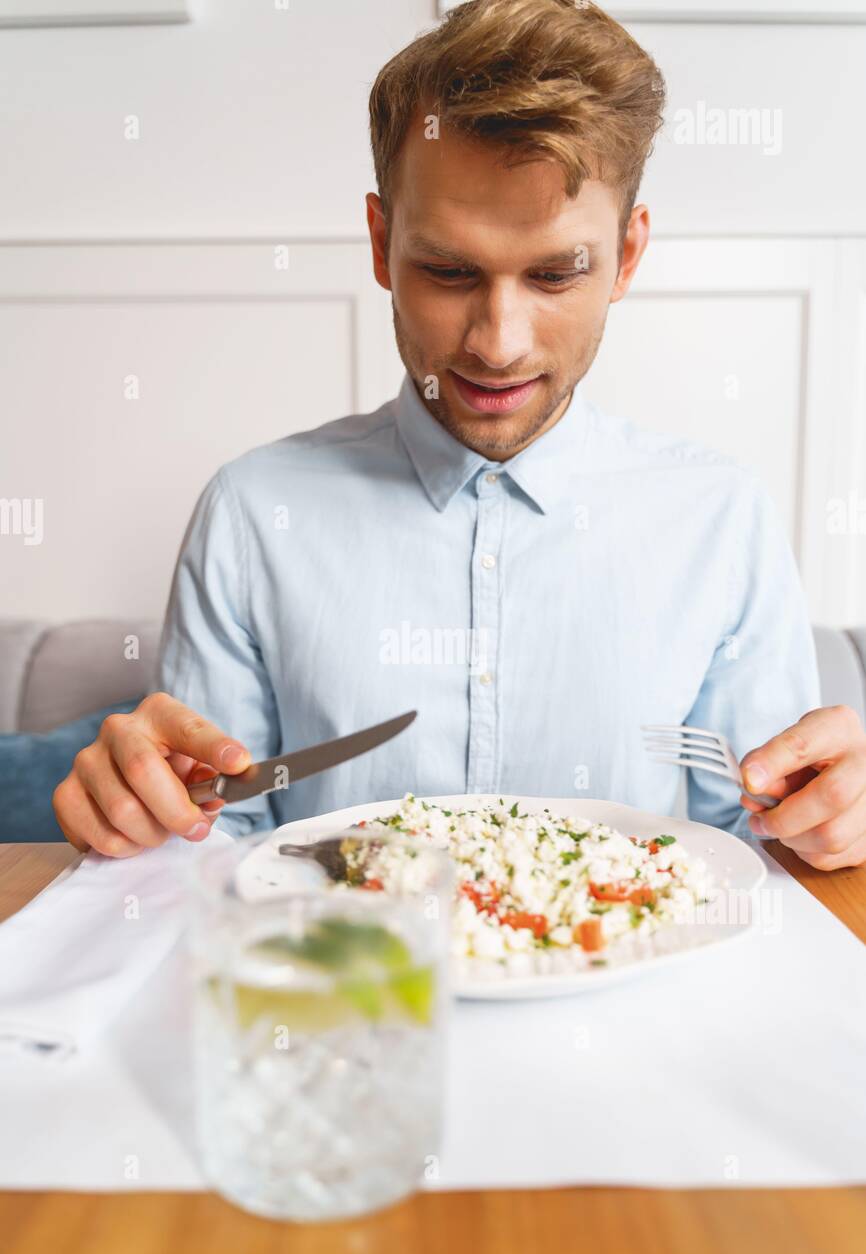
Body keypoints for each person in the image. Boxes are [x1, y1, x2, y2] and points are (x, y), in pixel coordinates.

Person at [53, 0, 866, 869]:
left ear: (627, 258)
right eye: (447, 270)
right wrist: (136, 820)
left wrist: (831, 826)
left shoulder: (722, 517)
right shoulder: (252, 514)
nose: (497, 342)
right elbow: (208, 854)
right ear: (380, 243)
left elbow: (758, 854)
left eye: (556, 273)